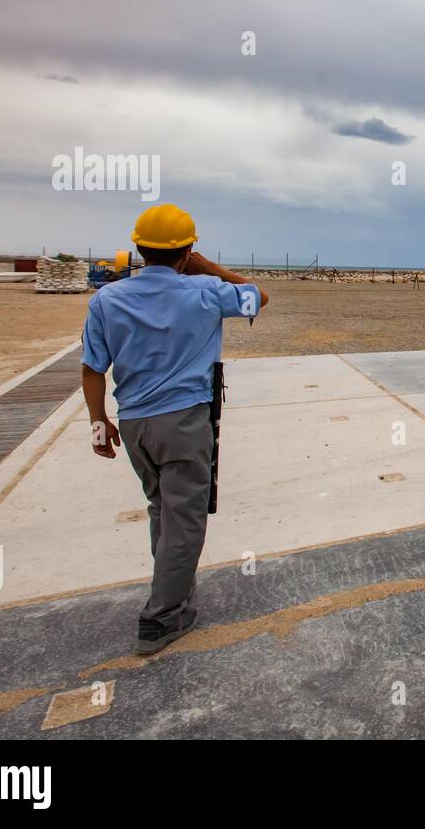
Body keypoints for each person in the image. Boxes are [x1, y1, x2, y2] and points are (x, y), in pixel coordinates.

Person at [80, 204, 269, 654]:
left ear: (139, 249)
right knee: (186, 517)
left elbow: (92, 368)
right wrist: (207, 267)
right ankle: (162, 618)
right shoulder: (204, 291)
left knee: (161, 507)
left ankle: (173, 588)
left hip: (134, 422)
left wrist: (97, 422)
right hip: (184, 420)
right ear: (187, 251)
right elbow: (258, 296)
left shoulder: (108, 299)